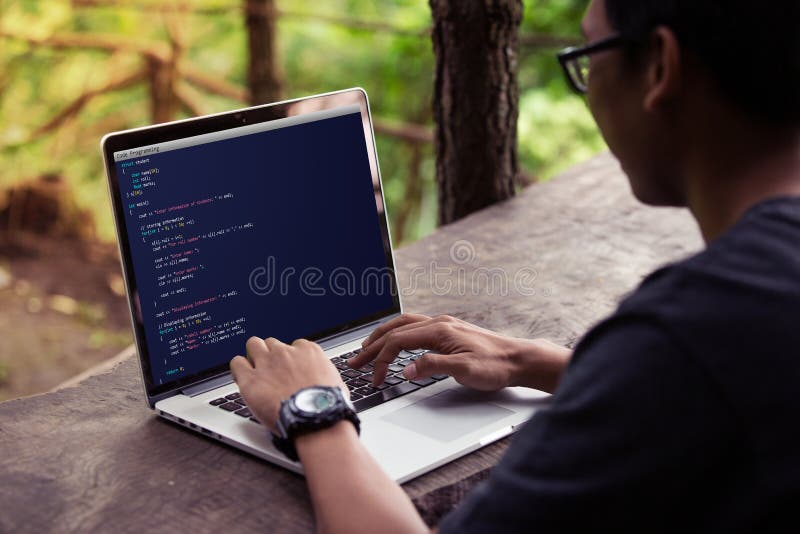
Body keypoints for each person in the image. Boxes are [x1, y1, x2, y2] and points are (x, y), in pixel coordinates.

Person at [229, 0, 800, 531]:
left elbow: (691, 363)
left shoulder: (690, 329)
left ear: (661, 69)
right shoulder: (743, 308)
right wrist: (529, 360)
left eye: (587, 56)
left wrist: (316, 413)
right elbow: (712, 384)